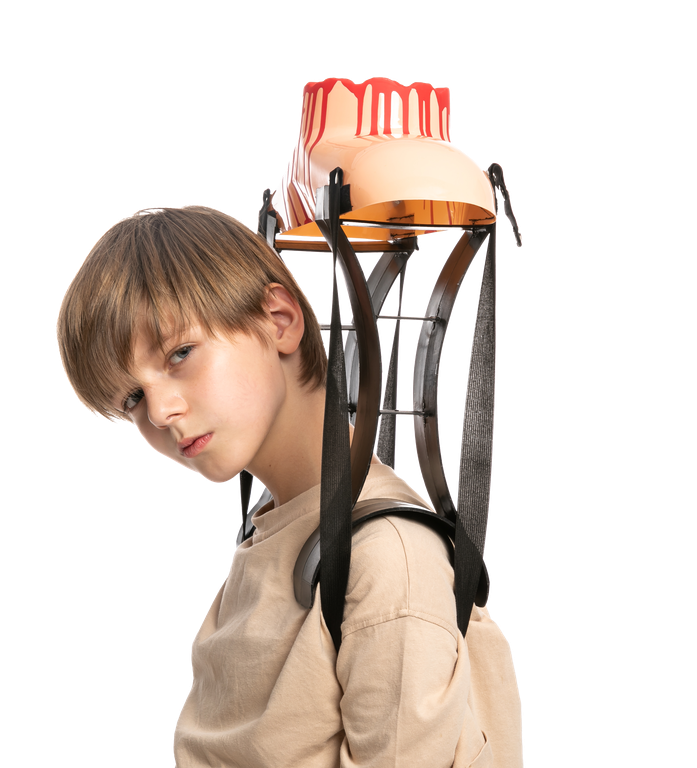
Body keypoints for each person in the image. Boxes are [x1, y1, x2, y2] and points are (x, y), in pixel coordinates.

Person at [55, 204, 523, 767]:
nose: (159, 412)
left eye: (180, 354)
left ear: (278, 320)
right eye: (132, 398)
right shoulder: (280, 525)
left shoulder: (386, 557)